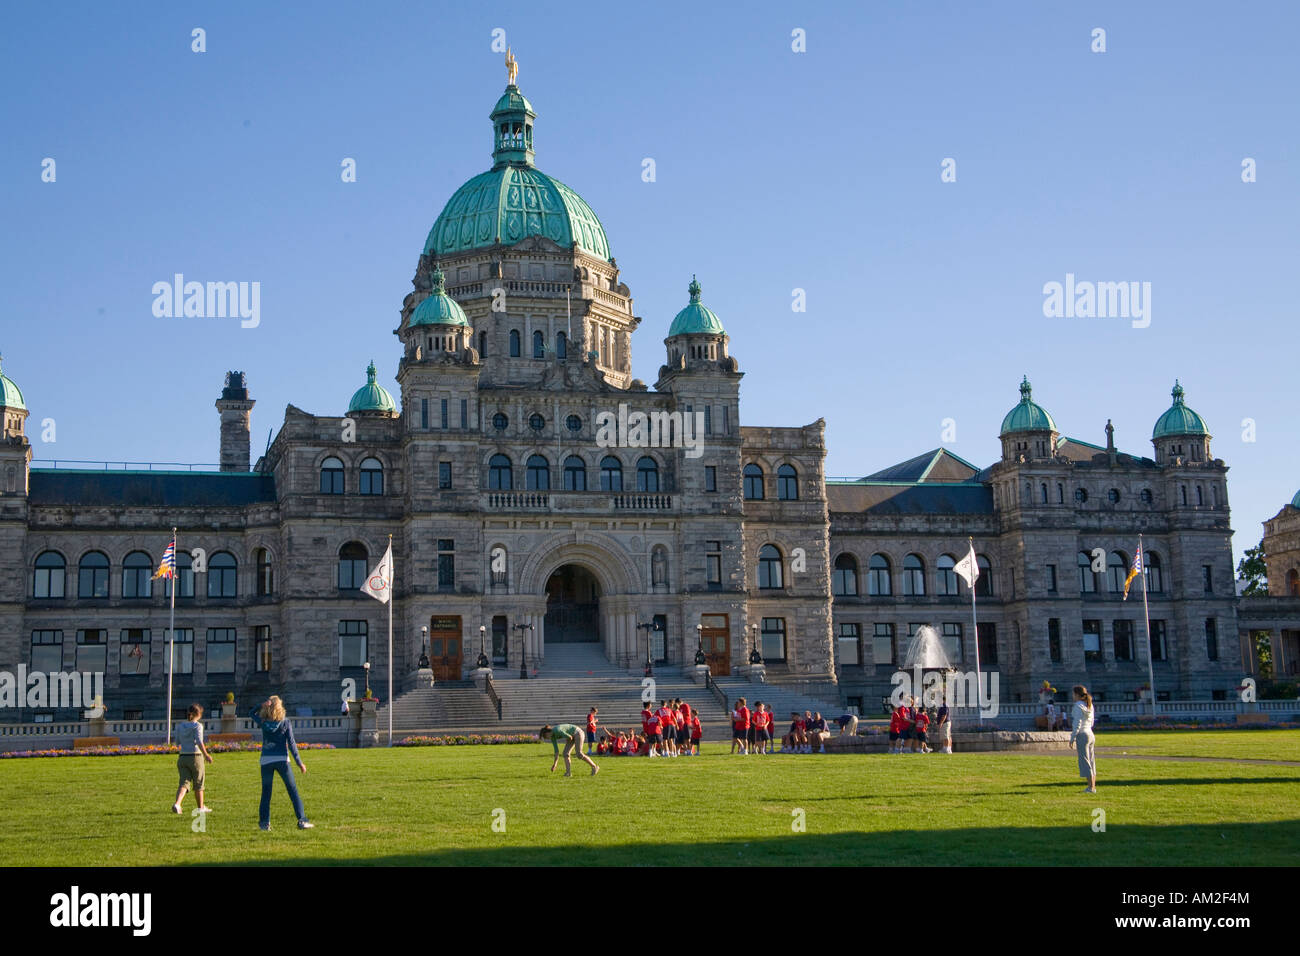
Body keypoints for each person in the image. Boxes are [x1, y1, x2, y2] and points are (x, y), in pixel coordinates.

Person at [249, 696, 312, 830]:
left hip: (266, 760)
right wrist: (299, 762)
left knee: (266, 793)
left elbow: (251, 713)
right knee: (292, 791)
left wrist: (261, 705)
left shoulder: (263, 722)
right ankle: (302, 820)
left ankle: (264, 824)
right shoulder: (285, 722)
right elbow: (292, 744)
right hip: (282, 760)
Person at [172, 703, 214, 815]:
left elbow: (177, 742)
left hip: (182, 757)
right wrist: (206, 755)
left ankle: (177, 803)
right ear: (199, 714)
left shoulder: (180, 726)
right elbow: (199, 741)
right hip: (195, 757)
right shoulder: (198, 726)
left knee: (184, 783)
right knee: (199, 784)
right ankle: (200, 807)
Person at [1070, 685, 1097, 793]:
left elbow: (1077, 722)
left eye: (1073, 694)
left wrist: (1072, 737)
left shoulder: (1078, 706)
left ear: (1076, 694)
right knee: (1091, 760)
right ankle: (1092, 786)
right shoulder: (1088, 704)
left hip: (1082, 734)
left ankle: (1090, 787)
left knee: (1085, 761)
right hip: (1090, 733)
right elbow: (1092, 721)